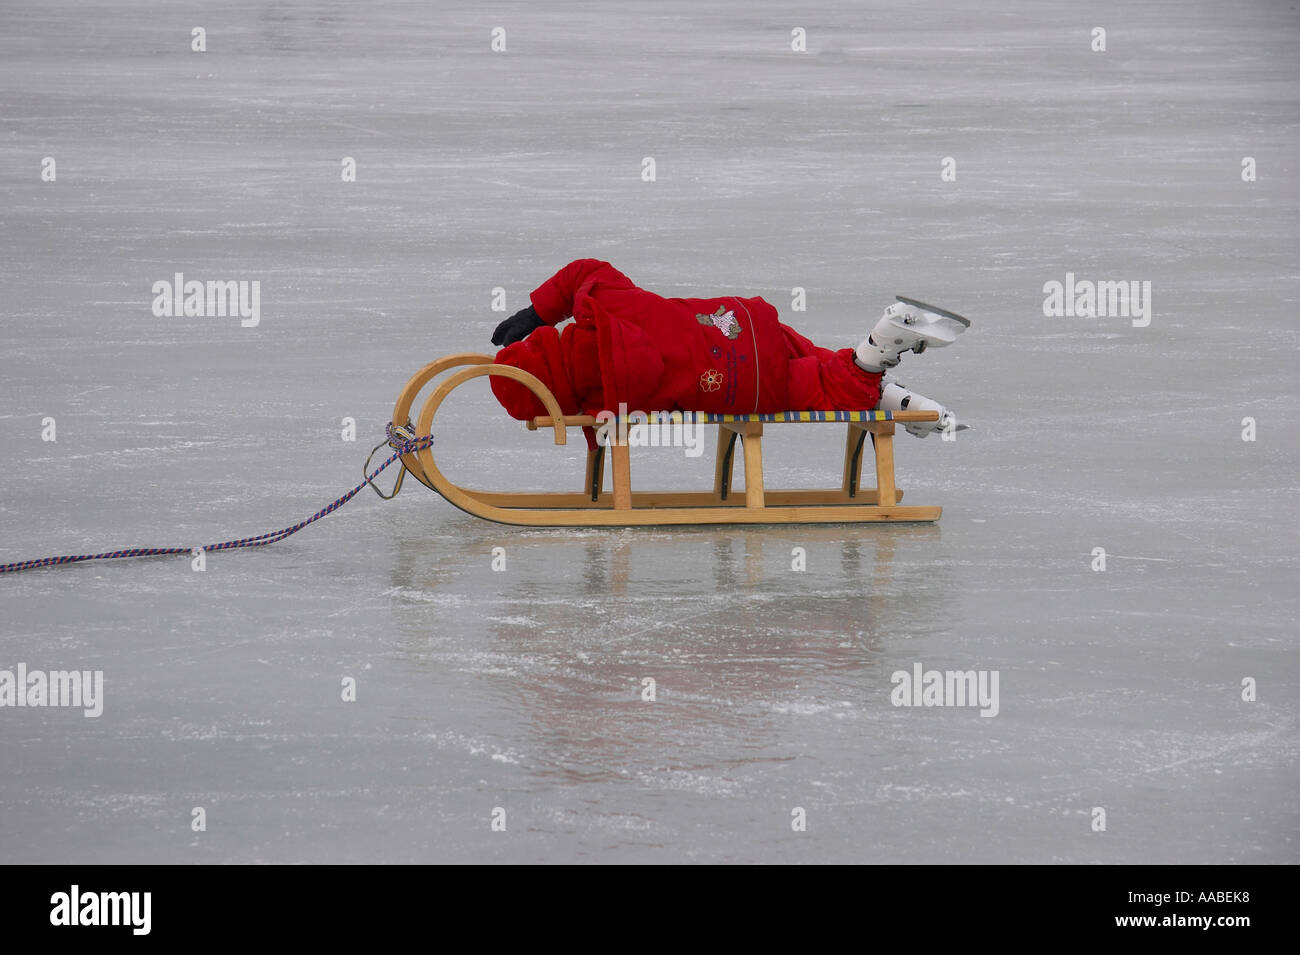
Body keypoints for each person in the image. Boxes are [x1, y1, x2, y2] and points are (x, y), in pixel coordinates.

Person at [488, 259, 966, 438]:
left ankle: (880, 346)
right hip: (740, 323)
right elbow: (584, 269)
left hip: (748, 387)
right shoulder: (600, 306)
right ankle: (897, 398)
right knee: (814, 358)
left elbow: (606, 429)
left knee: (831, 389)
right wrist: (537, 312)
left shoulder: (604, 401)